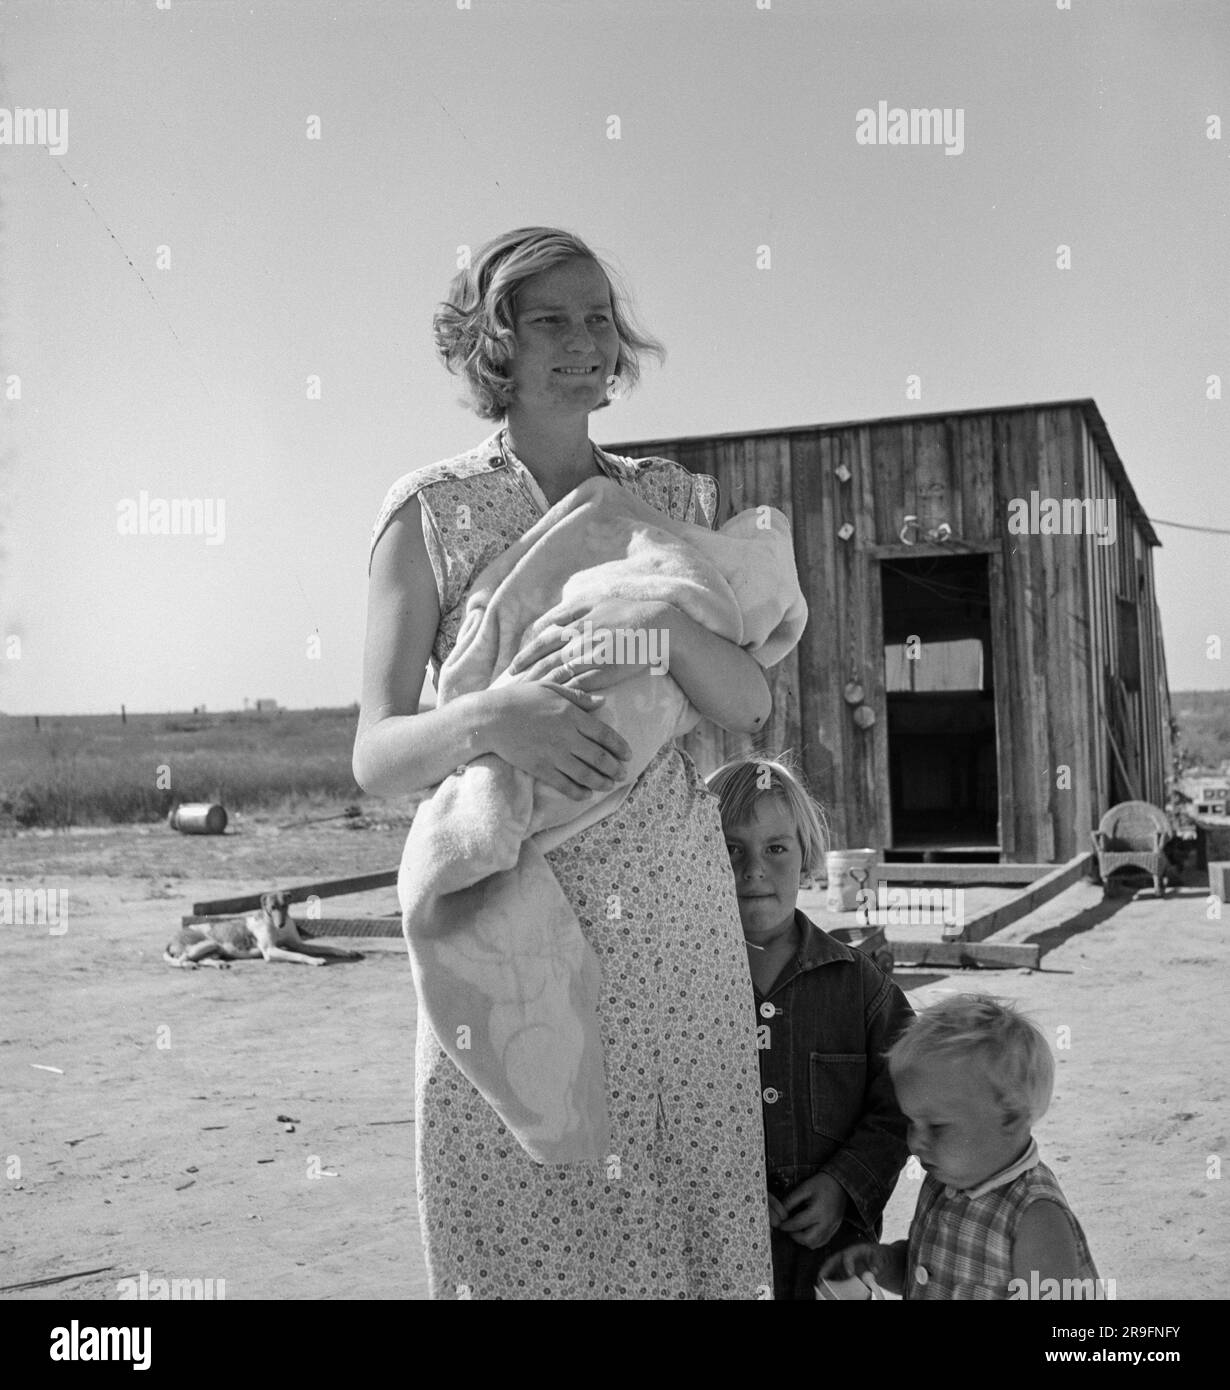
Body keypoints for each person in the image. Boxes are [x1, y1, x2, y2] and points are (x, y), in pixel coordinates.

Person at [354, 226, 775, 1299]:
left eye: (599, 318)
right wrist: (499, 716)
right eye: (551, 319)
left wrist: (663, 629)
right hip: (502, 921)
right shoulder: (432, 516)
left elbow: (748, 702)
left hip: (673, 927)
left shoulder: (673, 505)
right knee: (519, 1205)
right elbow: (378, 753)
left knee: (684, 1201)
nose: (584, 342)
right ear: (493, 341)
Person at [707, 755, 913, 1299]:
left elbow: (903, 1102)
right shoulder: (681, 991)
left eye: (776, 848)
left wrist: (845, 1183)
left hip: (833, 1264)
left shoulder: (860, 987)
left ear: (805, 860)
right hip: (710, 1259)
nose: (753, 869)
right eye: (730, 848)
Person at [821, 993, 1102, 1299]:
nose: (915, 1142)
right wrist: (885, 1264)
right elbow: (930, 1272)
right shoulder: (946, 1180)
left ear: (1010, 1117)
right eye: (911, 1122)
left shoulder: (1035, 1218)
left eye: (937, 1127)